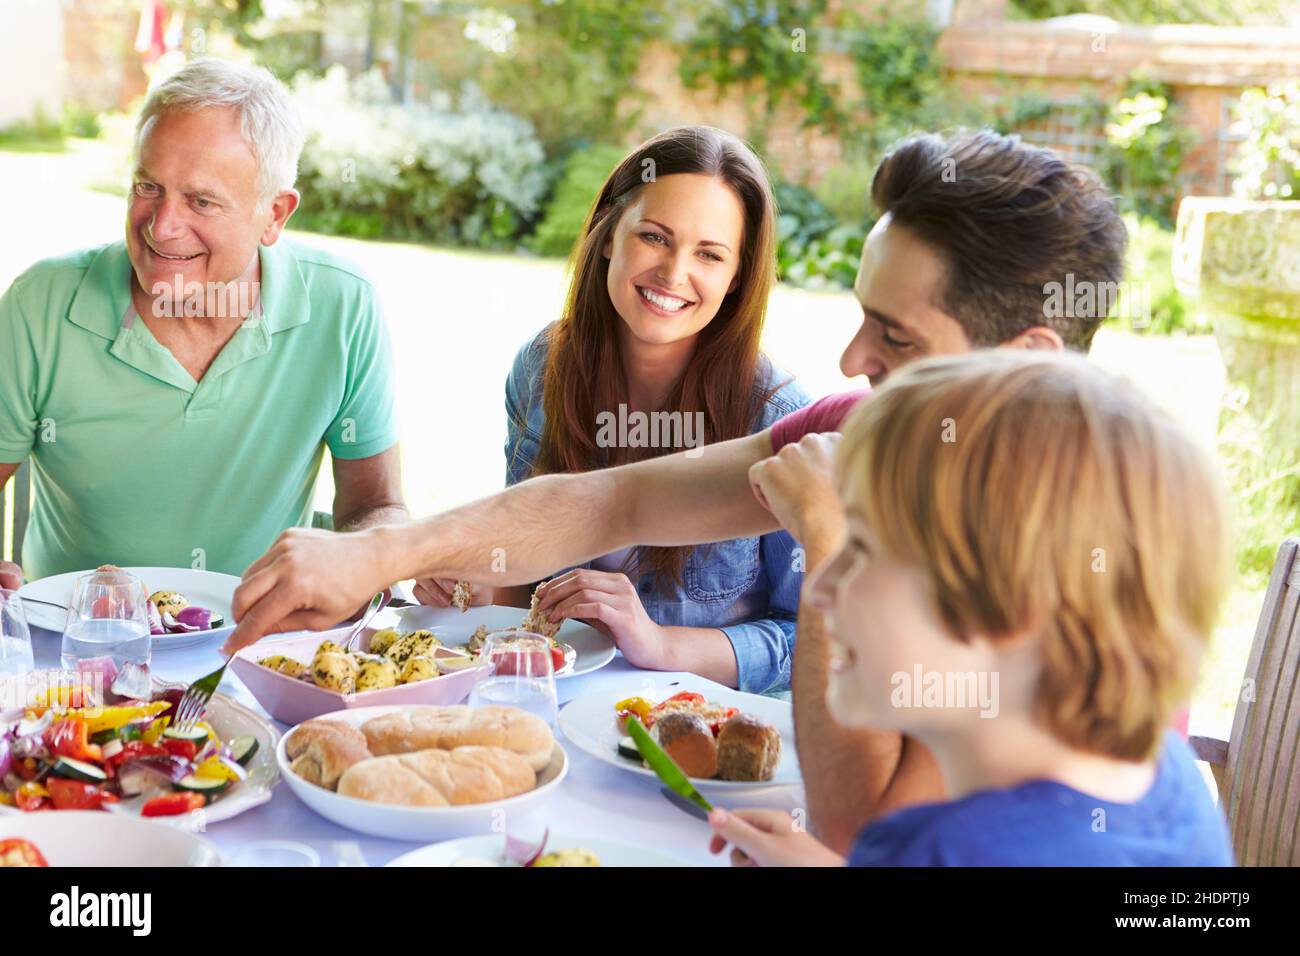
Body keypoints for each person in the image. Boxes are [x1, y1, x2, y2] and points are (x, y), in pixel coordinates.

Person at [221, 130, 1126, 849]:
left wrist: (835, 556)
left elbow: (862, 827)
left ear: (1025, 363)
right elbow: (613, 502)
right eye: (859, 317)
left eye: (896, 337)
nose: (852, 361)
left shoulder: (1054, 546)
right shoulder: (862, 427)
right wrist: (379, 550)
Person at [705, 350, 1234, 866]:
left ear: (1009, 609)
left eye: (859, 549)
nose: (818, 591)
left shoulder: (935, 849)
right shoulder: (1170, 780)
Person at [420, 127, 809, 692]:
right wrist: (481, 582)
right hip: (551, 705)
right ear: (608, 235)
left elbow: (815, 641)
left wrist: (656, 640)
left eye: (709, 254)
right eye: (654, 237)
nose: (674, 274)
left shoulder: (778, 419)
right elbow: (522, 587)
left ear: (735, 279)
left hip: (683, 732)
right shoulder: (543, 364)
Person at [0, 58, 405, 589]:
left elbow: (374, 506)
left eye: (201, 200)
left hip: (262, 648)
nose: (163, 227)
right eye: (148, 187)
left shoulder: (343, 305)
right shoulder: (42, 303)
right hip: (80, 644)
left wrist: (389, 556)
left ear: (275, 215)